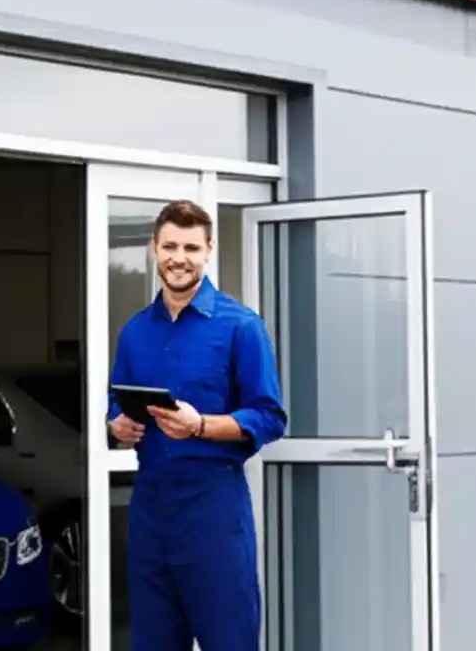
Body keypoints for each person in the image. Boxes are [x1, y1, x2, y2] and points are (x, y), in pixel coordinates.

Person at [107, 199, 286, 651]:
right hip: (150, 511)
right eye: (169, 246)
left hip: (214, 513)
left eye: (190, 247)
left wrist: (200, 425)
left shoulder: (241, 327)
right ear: (154, 248)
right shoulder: (135, 331)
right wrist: (117, 424)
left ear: (208, 251)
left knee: (228, 641)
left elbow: (270, 417)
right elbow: (117, 400)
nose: (178, 258)